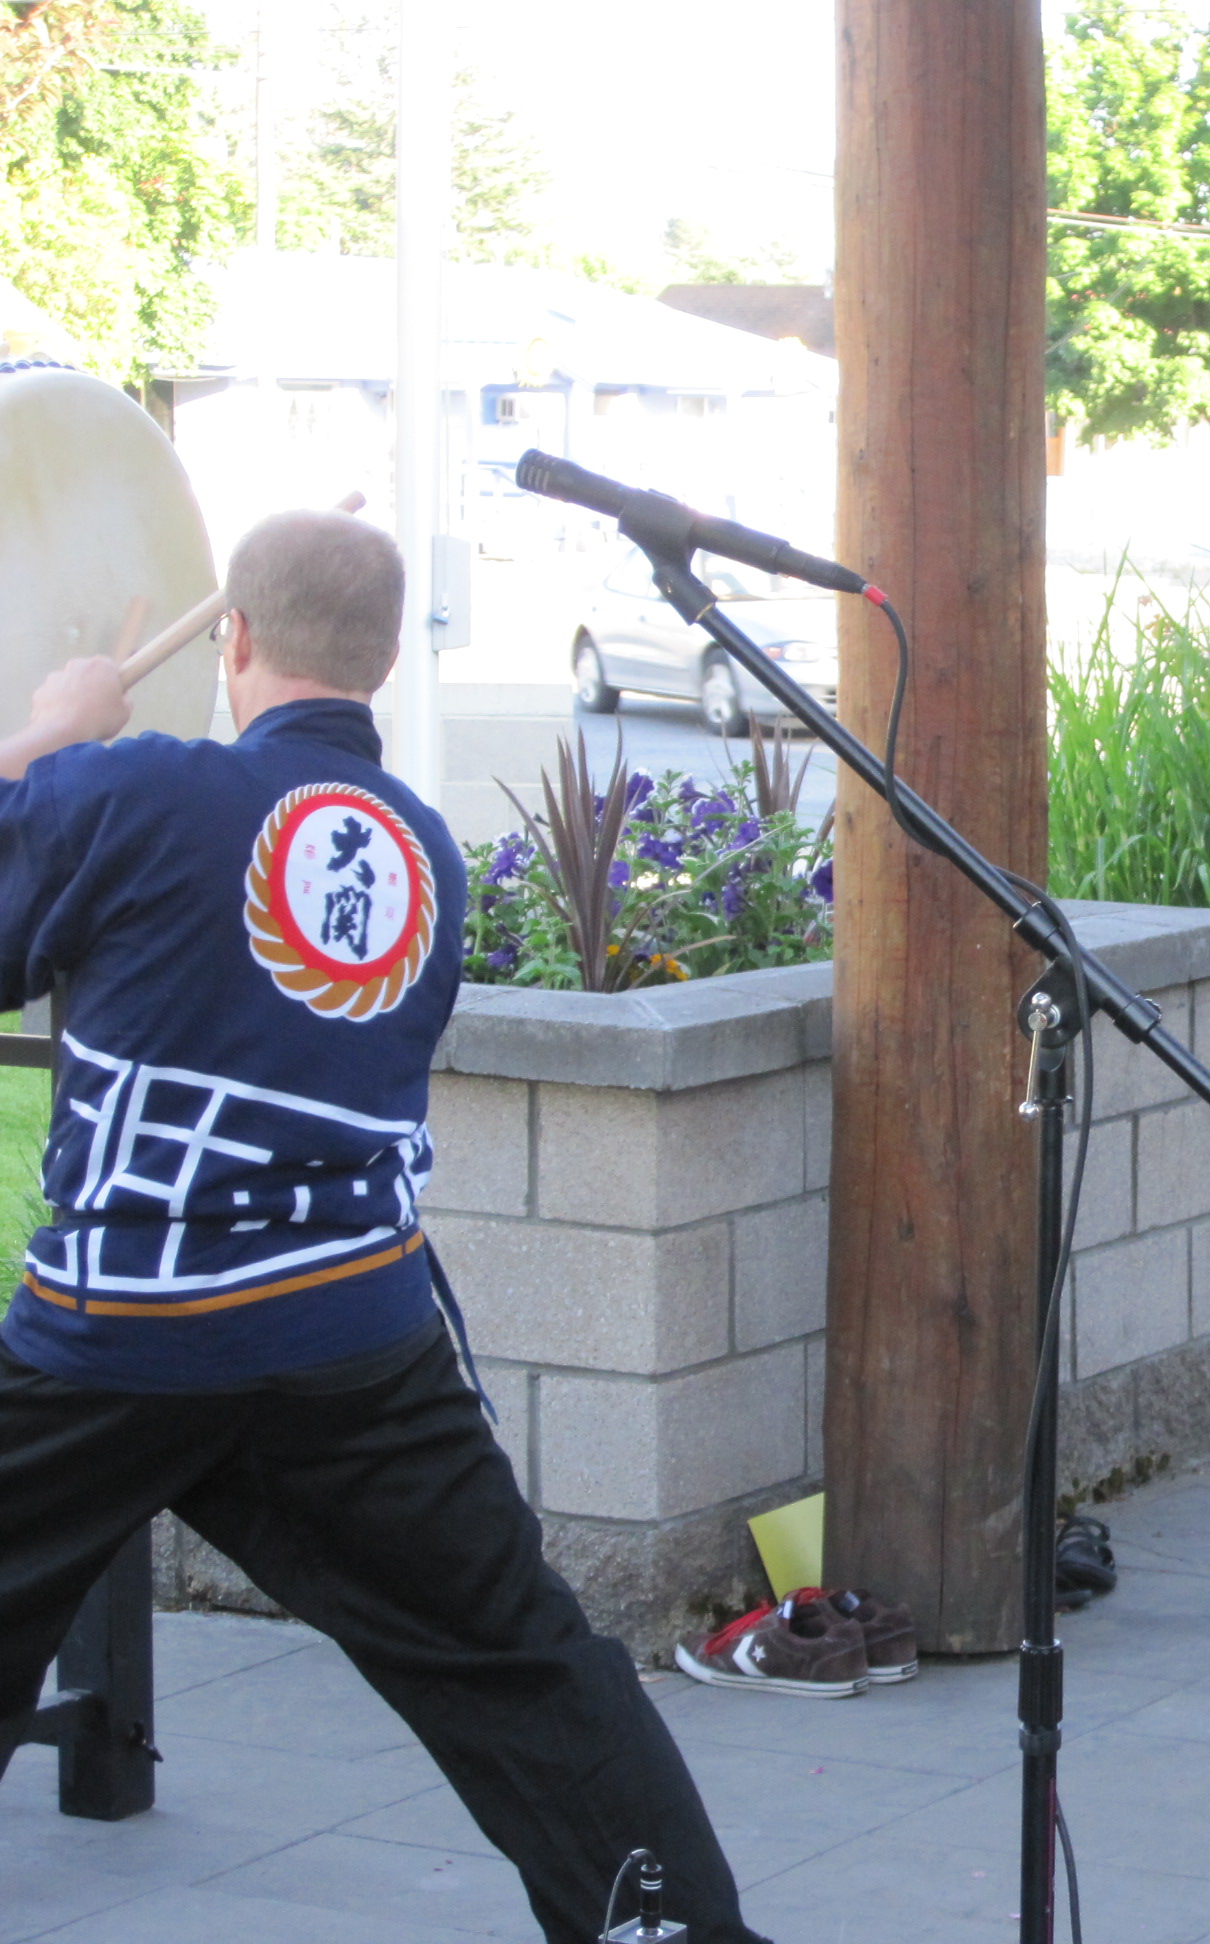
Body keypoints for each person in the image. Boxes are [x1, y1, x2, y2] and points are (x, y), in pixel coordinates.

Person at [0, 512, 769, 1944]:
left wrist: (49, 738)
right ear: (382, 664)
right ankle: (674, 1930)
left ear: (230, 641)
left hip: (129, 1331)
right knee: (517, 1662)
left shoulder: (135, 790)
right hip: (353, 1334)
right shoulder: (421, 848)